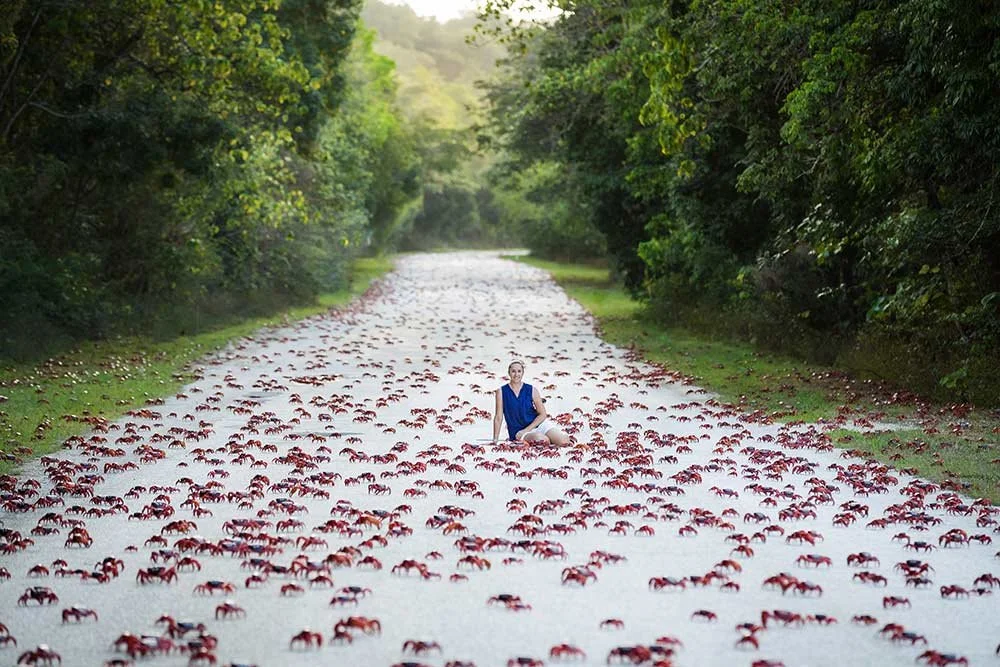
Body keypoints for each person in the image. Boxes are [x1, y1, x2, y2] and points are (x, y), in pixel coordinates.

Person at [492, 361, 570, 445]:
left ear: (522, 373)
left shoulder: (532, 389)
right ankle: (546, 438)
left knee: (563, 441)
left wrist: (527, 429)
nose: (516, 374)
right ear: (509, 373)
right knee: (543, 440)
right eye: (513, 371)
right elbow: (498, 417)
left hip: (538, 425)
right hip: (520, 431)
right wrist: (495, 439)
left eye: (519, 371)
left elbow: (543, 414)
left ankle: (556, 436)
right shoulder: (501, 391)